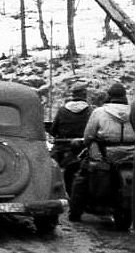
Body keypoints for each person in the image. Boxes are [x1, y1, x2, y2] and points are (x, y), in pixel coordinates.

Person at [70, 82, 135, 221]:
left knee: (82, 177)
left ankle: (75, 213)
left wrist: (91, 146)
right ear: (125, 96)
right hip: (132, 154)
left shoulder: (99, 112)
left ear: (109, 96)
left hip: (106, 155)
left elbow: (88, 136)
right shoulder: (134, 111)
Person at [49, 83, 92, 192]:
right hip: (83, 149)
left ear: (73, 95)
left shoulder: (62, 110)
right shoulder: (91, 111)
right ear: (84, 95)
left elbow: (53, 130)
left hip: (62, 148)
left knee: (50, 167)